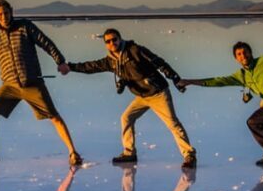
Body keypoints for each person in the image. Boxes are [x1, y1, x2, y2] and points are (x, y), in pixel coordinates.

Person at [0, 0, 82, 165]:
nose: (4, 16)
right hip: (10, 86)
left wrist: (60, 61)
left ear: (11, 11)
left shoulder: (25, 27)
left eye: (6, 12)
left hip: (32, 83)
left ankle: (73, 152)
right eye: (0, 14)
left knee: (54, 117)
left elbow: (46, 43)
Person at [67, 28, 196, 168]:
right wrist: (70, 67)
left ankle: (189, 155)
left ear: (120, 39)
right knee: (126, 118)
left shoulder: (135, 50)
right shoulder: (111, 61)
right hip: (142, 96)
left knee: (172, 123)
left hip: (158, 93)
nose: (112, 43)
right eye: (108, 41)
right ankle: (129, 153)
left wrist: (175, 78)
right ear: (105, 44)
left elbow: (159, 62)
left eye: (114, 39)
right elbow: (90, 67)